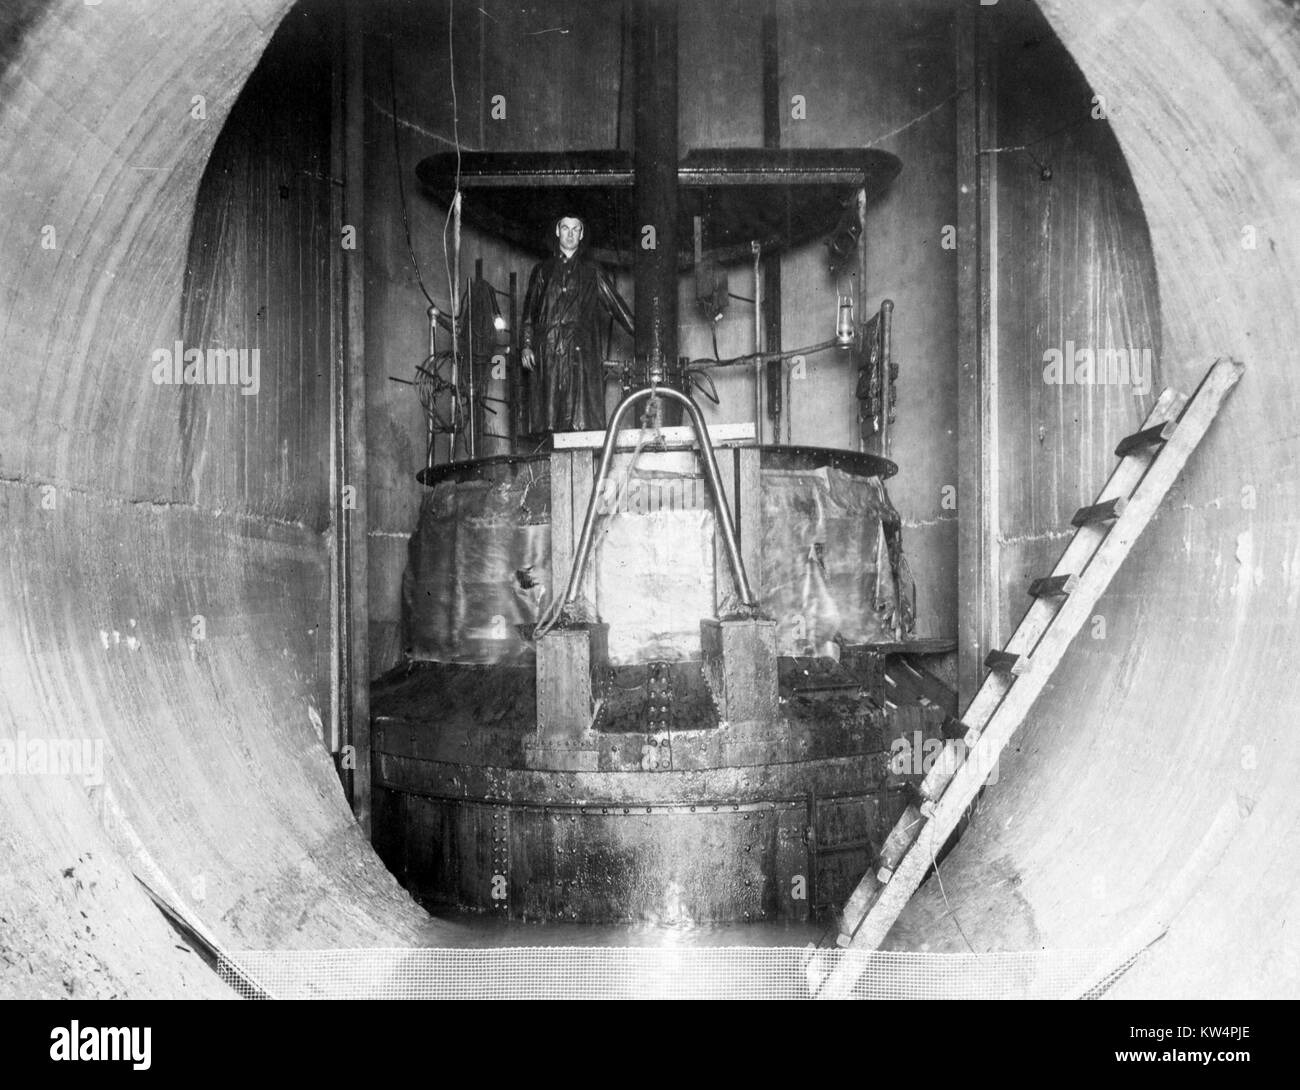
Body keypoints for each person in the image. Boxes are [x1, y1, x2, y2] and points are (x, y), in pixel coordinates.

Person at [521, 215, 634, 434]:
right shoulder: (542, 270)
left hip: (580, 355)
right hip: (549, 353)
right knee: (549, 423)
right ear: (557, 231)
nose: (570, 234)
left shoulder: (592, 272)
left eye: (575, 229)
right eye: (565, 228)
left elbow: (617, 306)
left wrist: (646, 337)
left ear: (581, 234)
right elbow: (529, 312)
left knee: (580, 422)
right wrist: (526, 344)